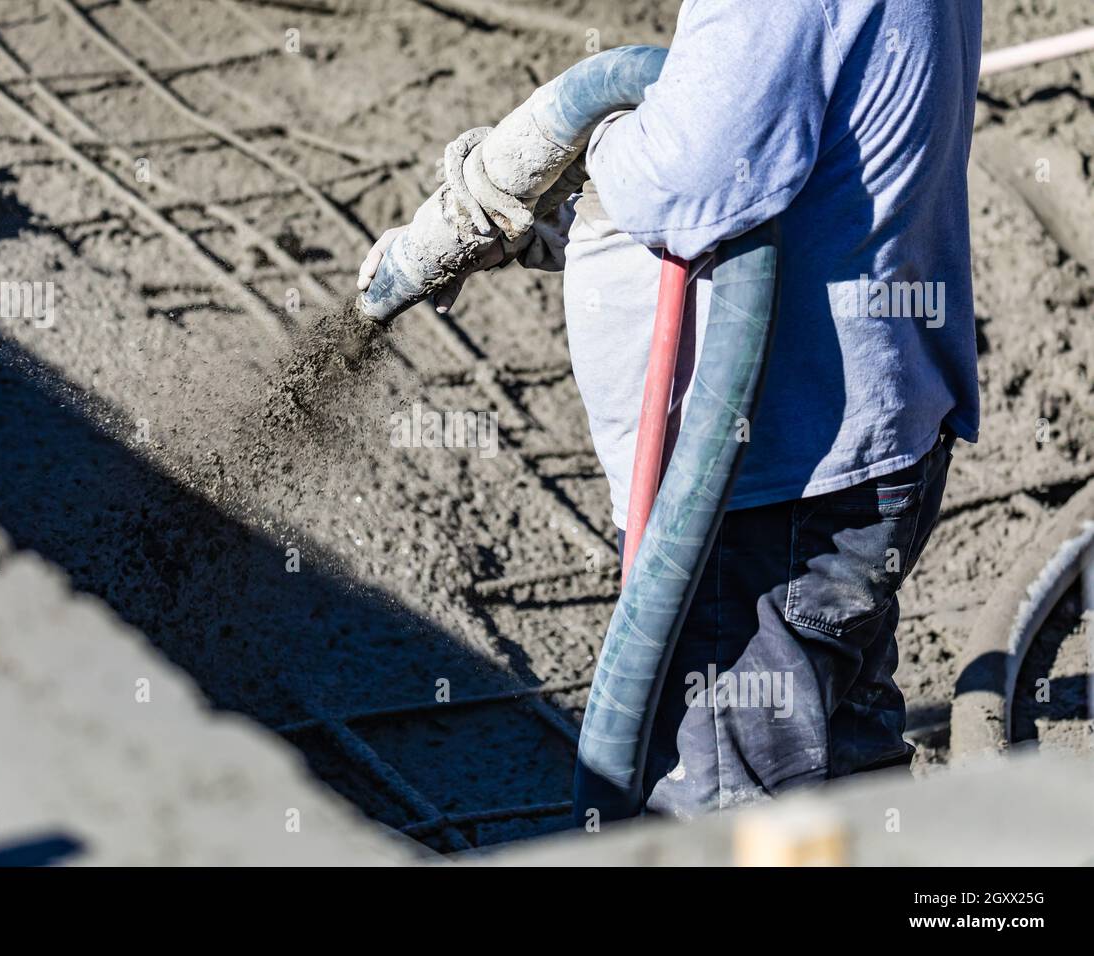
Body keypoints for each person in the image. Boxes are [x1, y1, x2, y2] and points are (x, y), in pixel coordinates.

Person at [358, 0, 982, 818]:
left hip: (768, 477)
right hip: (860, 439)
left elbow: (696, 176)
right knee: (837, 761)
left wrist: (585, 139)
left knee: (722, 800)